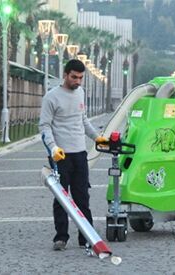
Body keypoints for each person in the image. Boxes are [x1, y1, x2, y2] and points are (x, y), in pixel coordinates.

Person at [39, 59, 107, 251]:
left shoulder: (81, 93)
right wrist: (53, 148)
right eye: (74, 77)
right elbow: (44, 126)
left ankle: (86, 236)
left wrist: (96, 137)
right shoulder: (51, 97)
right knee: (62, 197)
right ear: (66, 75)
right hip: (60, 155)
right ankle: (61, 237)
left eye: (80, 78)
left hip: (80, 154)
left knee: (82, 197)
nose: (77, 81)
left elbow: (82, 120)